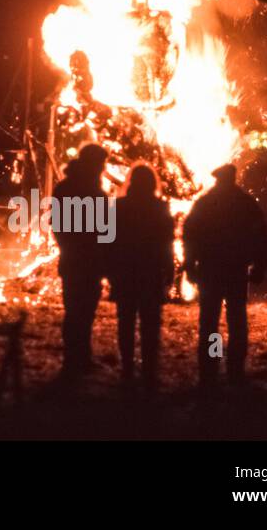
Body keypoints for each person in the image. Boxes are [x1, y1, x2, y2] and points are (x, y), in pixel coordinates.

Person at [183, 163, 267, 386]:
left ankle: (210, 368)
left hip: (211, 270)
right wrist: (259, 266)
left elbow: (190, 235)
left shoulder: (205, 203)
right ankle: (234, 369)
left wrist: (190, 265)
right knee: (237, 320)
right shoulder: (246, 203)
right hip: (235, 270)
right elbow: (261, 237)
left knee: (210, 322)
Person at [107, 163, 174, 387]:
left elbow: (109, 241)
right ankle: (149, 370)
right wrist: (169, 270)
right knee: (150, 323)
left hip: (125, 272)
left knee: (125, 321)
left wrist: (110, 270)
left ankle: (127, 367)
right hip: (150, 272)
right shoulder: (160, 208)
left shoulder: (119, 207)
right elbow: (166, 244)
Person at [53, 143, 110, 377]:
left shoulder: (64, 188)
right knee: (81, 311)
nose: (103, 168)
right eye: (101, 163)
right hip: (85, 261)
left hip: (76, 260)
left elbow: (56, 225)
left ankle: (78, 357)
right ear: (94, 163)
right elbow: (106, 231)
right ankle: (75, 359)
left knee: (79, 311)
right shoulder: (95, 193)